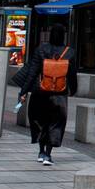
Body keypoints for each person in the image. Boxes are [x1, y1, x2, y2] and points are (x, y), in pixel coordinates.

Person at [16, 25, 73, 165]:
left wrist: (23, 92)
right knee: (56, 123)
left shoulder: (41, 50)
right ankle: (48, 154)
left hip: (40, 92)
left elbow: (32, 72)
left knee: (40, 121)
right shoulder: (69, 52)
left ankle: (41, 151)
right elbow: (72, 75)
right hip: (60, 94)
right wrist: (72, 90)